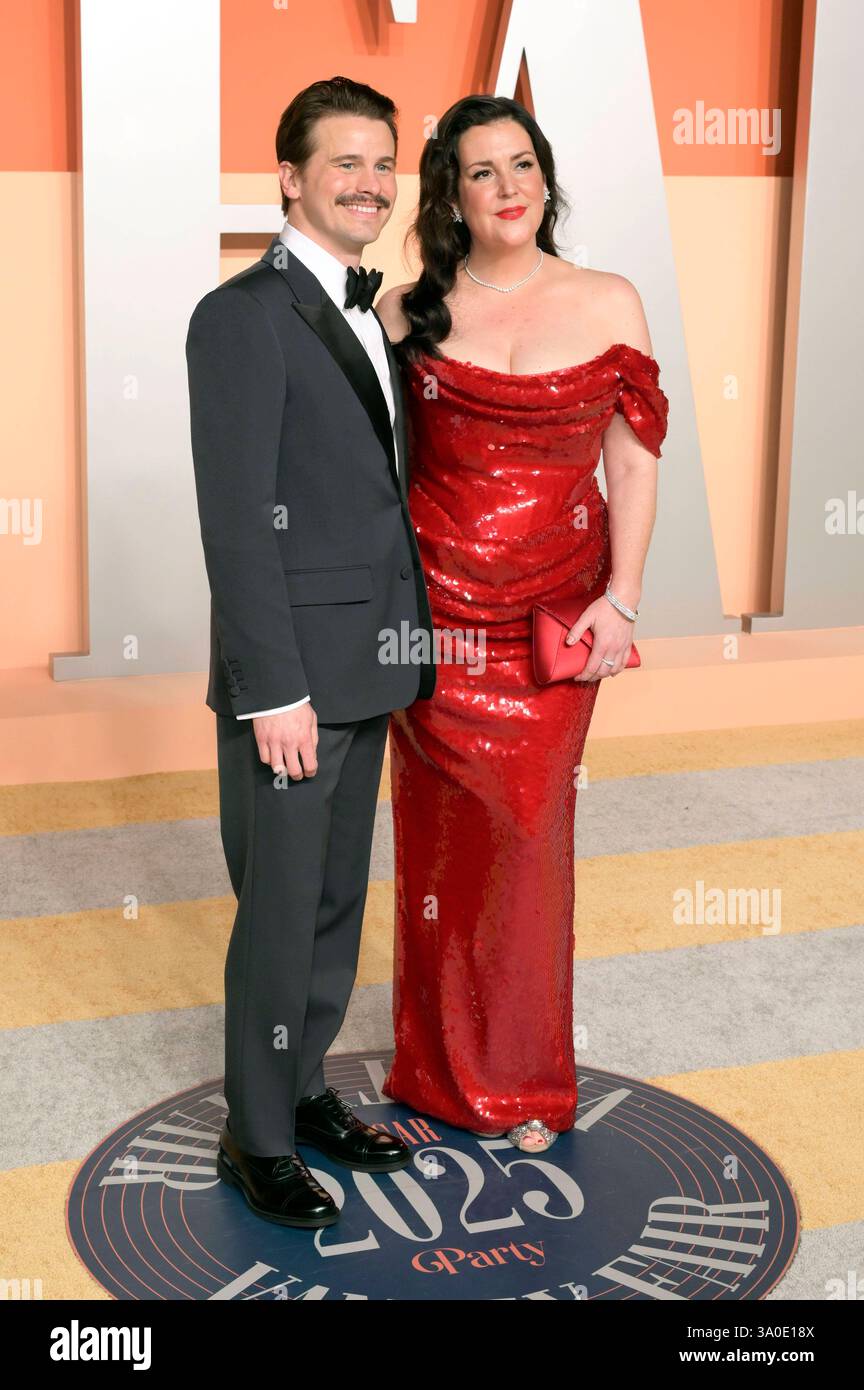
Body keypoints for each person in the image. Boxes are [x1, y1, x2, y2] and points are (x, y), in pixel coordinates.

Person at [376, 94, 669, 1154]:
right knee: (438, 845)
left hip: (550, 618)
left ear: (546, 175)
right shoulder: (409, 309)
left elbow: (633, 463)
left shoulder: (609, 299)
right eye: (481, 171)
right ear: (450, 192)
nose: (508, 187)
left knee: (529, 842)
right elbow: (370, 466)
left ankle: (523, 1084)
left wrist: (622, 598)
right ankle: (433, 1068)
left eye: (522, 164)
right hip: (433, 617)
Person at [185, 76, 435, 1228]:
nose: (370, 183)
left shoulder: (364, 310)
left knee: (336, 898)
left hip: (365, 662)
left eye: (384, 163)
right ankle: (260, 1135)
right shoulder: (240, 317)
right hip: (290, 683)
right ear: (288, 177)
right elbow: (238, 524)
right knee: (279, 909)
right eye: (345, 162)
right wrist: (269, 687)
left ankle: (305, 1084)